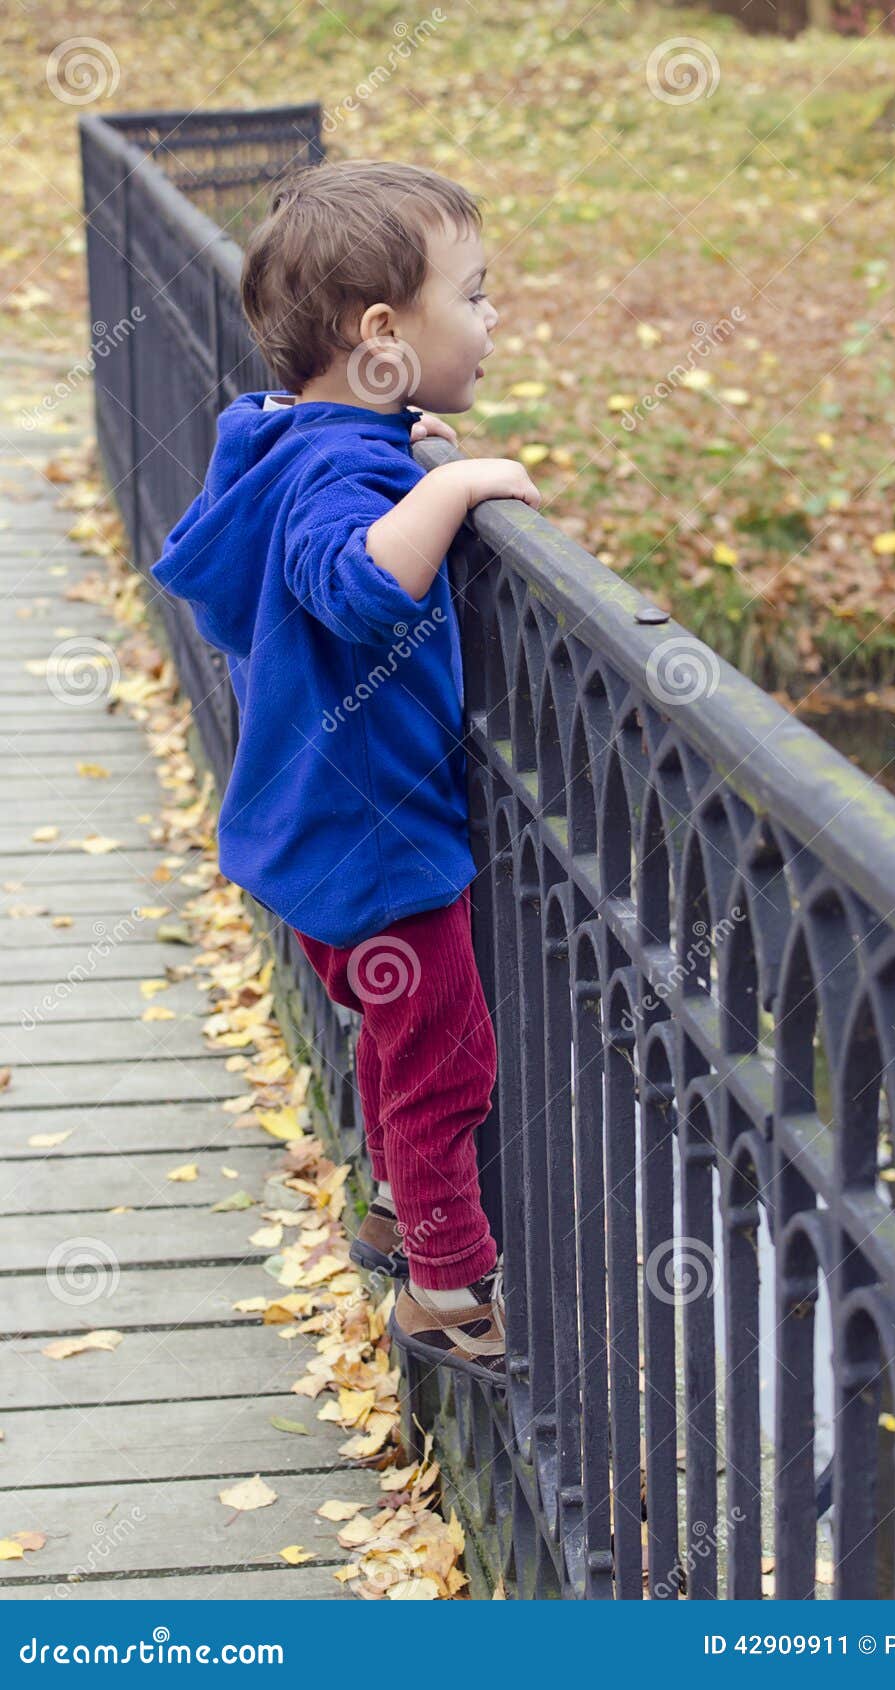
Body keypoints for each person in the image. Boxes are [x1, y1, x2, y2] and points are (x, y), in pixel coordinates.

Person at [150, 159, 541, 1388]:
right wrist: (454, 483)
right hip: (374, 839)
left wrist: (409, 452)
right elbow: (360, 584)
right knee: (443, 1056)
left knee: (393, 1030)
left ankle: (391, 1208)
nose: (491, 319)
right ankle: (446, 1288)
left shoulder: (281, 436)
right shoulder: (340, 473)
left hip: (313, 825)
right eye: (471, 295)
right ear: (381, 336)